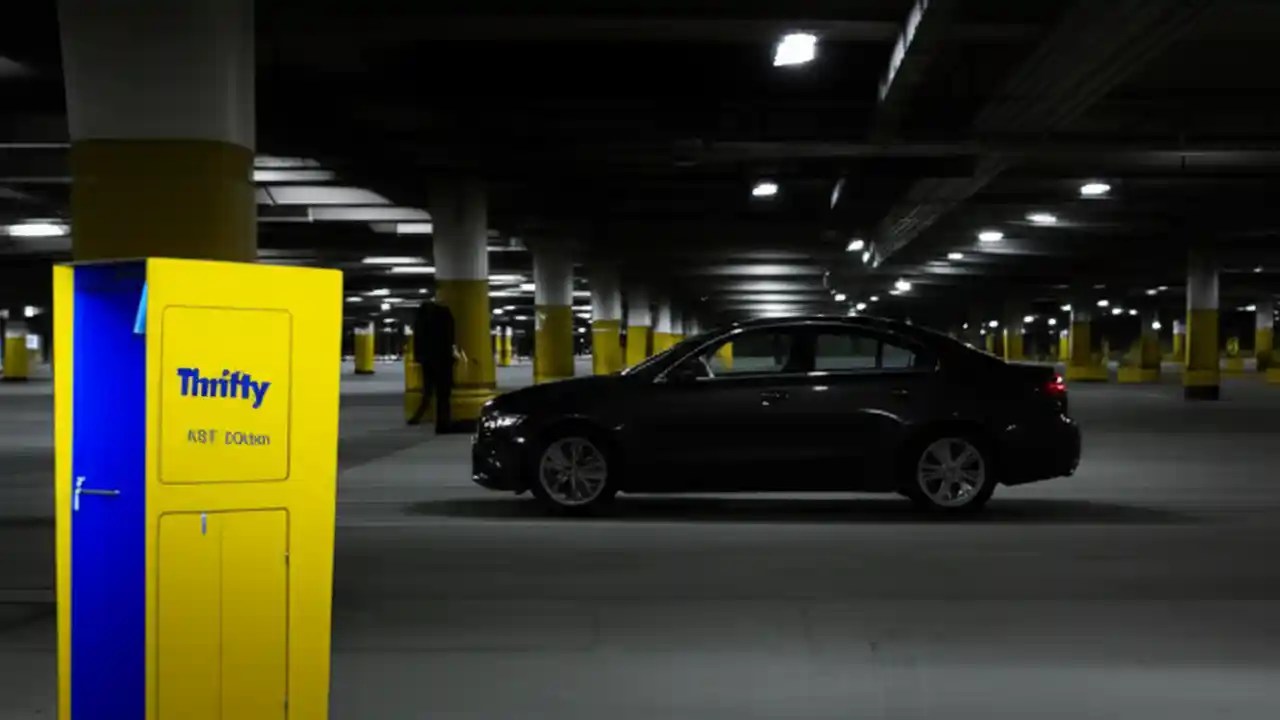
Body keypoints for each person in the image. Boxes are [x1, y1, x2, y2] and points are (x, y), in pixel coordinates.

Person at [408, 300, 464, 431]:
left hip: (428, 360)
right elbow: (449, 338)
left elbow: (418, 339)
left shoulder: (421, 316)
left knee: (428, 391)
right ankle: (443, 423)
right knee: (443, 395)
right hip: (443, 360)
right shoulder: (445, 315)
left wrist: (419, 358)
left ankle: (418, 416)